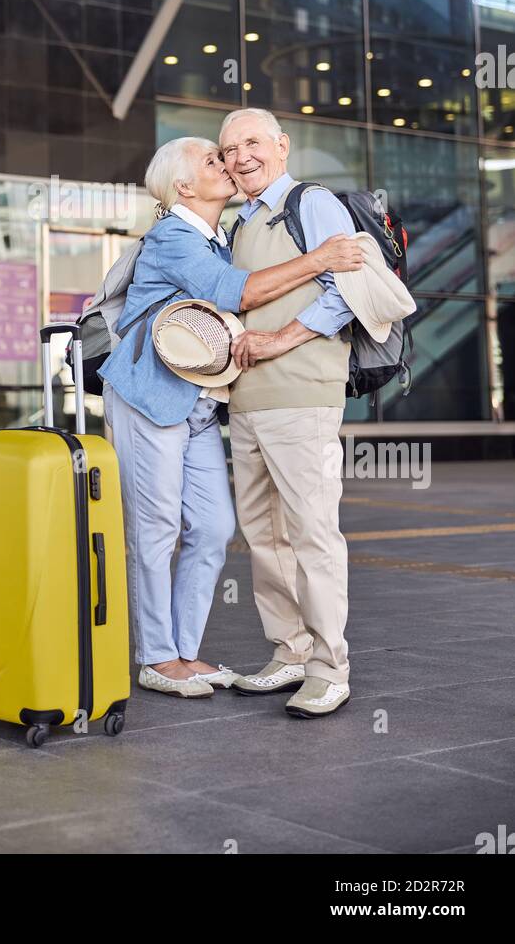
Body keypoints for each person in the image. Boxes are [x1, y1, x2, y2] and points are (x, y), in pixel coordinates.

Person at [99, 137, 363, 698]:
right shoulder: (173, 237)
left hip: (197, 407)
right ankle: (156, 657)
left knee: (216, 528)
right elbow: (235, 293)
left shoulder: (221, 237)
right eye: (213, 160)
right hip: (149, 398)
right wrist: (321, 258)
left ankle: (185, 652)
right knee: (156, 529)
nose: (228, 164)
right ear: (184, 187)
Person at [220, 108, 357, 717]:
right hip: (247, 402)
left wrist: (280, 339)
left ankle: (331, 667)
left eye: (252, 142)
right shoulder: (238, 222)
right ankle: (290, 651)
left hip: (303, 396)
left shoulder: (312, 203)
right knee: (264, 538)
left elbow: (349, 292)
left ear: (282, 145)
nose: (240, 156)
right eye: (228, 150)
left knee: (312, 534)